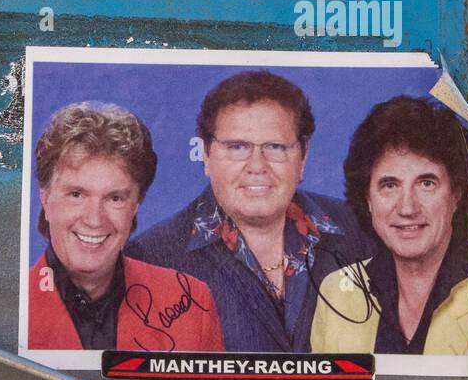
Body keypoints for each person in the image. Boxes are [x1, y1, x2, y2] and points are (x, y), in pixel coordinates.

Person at [127, 71, 376, 352]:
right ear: (207, 155)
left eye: (275, 147)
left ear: (303, 155)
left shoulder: (361, 232)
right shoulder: (151, 258)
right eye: (237, 147)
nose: (257, 165)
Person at [27, 102, 225, 352]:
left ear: (136, 205)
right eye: (76, 194)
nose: (94, 219)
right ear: (45, 198)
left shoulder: (192, 303)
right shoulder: (10, 303)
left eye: (115, 198)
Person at [310, 96, 468, 355]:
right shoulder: (337, 293)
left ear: (456, 195)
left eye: (426, 183)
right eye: (390, 185)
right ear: (368, 200)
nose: (407, 208)